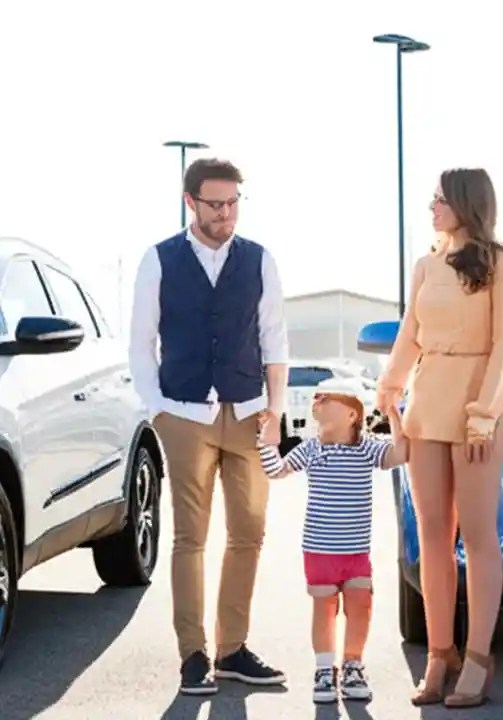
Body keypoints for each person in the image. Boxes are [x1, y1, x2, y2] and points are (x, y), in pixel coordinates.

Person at [128, 157, 290, 696]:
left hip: (249, 415)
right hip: (186, 414)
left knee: (249, 533)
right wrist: (159, 408)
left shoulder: (260, 260)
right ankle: (193, 654)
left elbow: (274, 339)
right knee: (189, 538)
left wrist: (276, 410)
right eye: (216, 204)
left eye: (233, 202)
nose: (226, 213)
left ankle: (233, 649)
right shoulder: (159, 260)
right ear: (190, 201)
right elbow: (141, 342)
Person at [375, 167, 503, 709]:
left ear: (466, 202)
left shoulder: (501, 265)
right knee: (433, 534)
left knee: (478, 536)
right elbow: (409, 333)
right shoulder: (425, 266)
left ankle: (479, 656)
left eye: (440, 198)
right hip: (427, 404)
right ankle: (440, 654)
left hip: (477, 407)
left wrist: (485, 413)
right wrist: (389, 387)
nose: (432, 206)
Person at [256, 379, 408, 705]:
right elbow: (277, 470)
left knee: (360, 608)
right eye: (316, 400)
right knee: (324, 609)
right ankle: (325, 669)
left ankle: (353, 665)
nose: (317, 402)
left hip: (356, 551)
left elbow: (401, 454)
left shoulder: (367, 448)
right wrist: (267, 440)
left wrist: (394, 414)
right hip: (319, 550)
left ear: (352, 414)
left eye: (326, 399)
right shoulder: (313, 448)